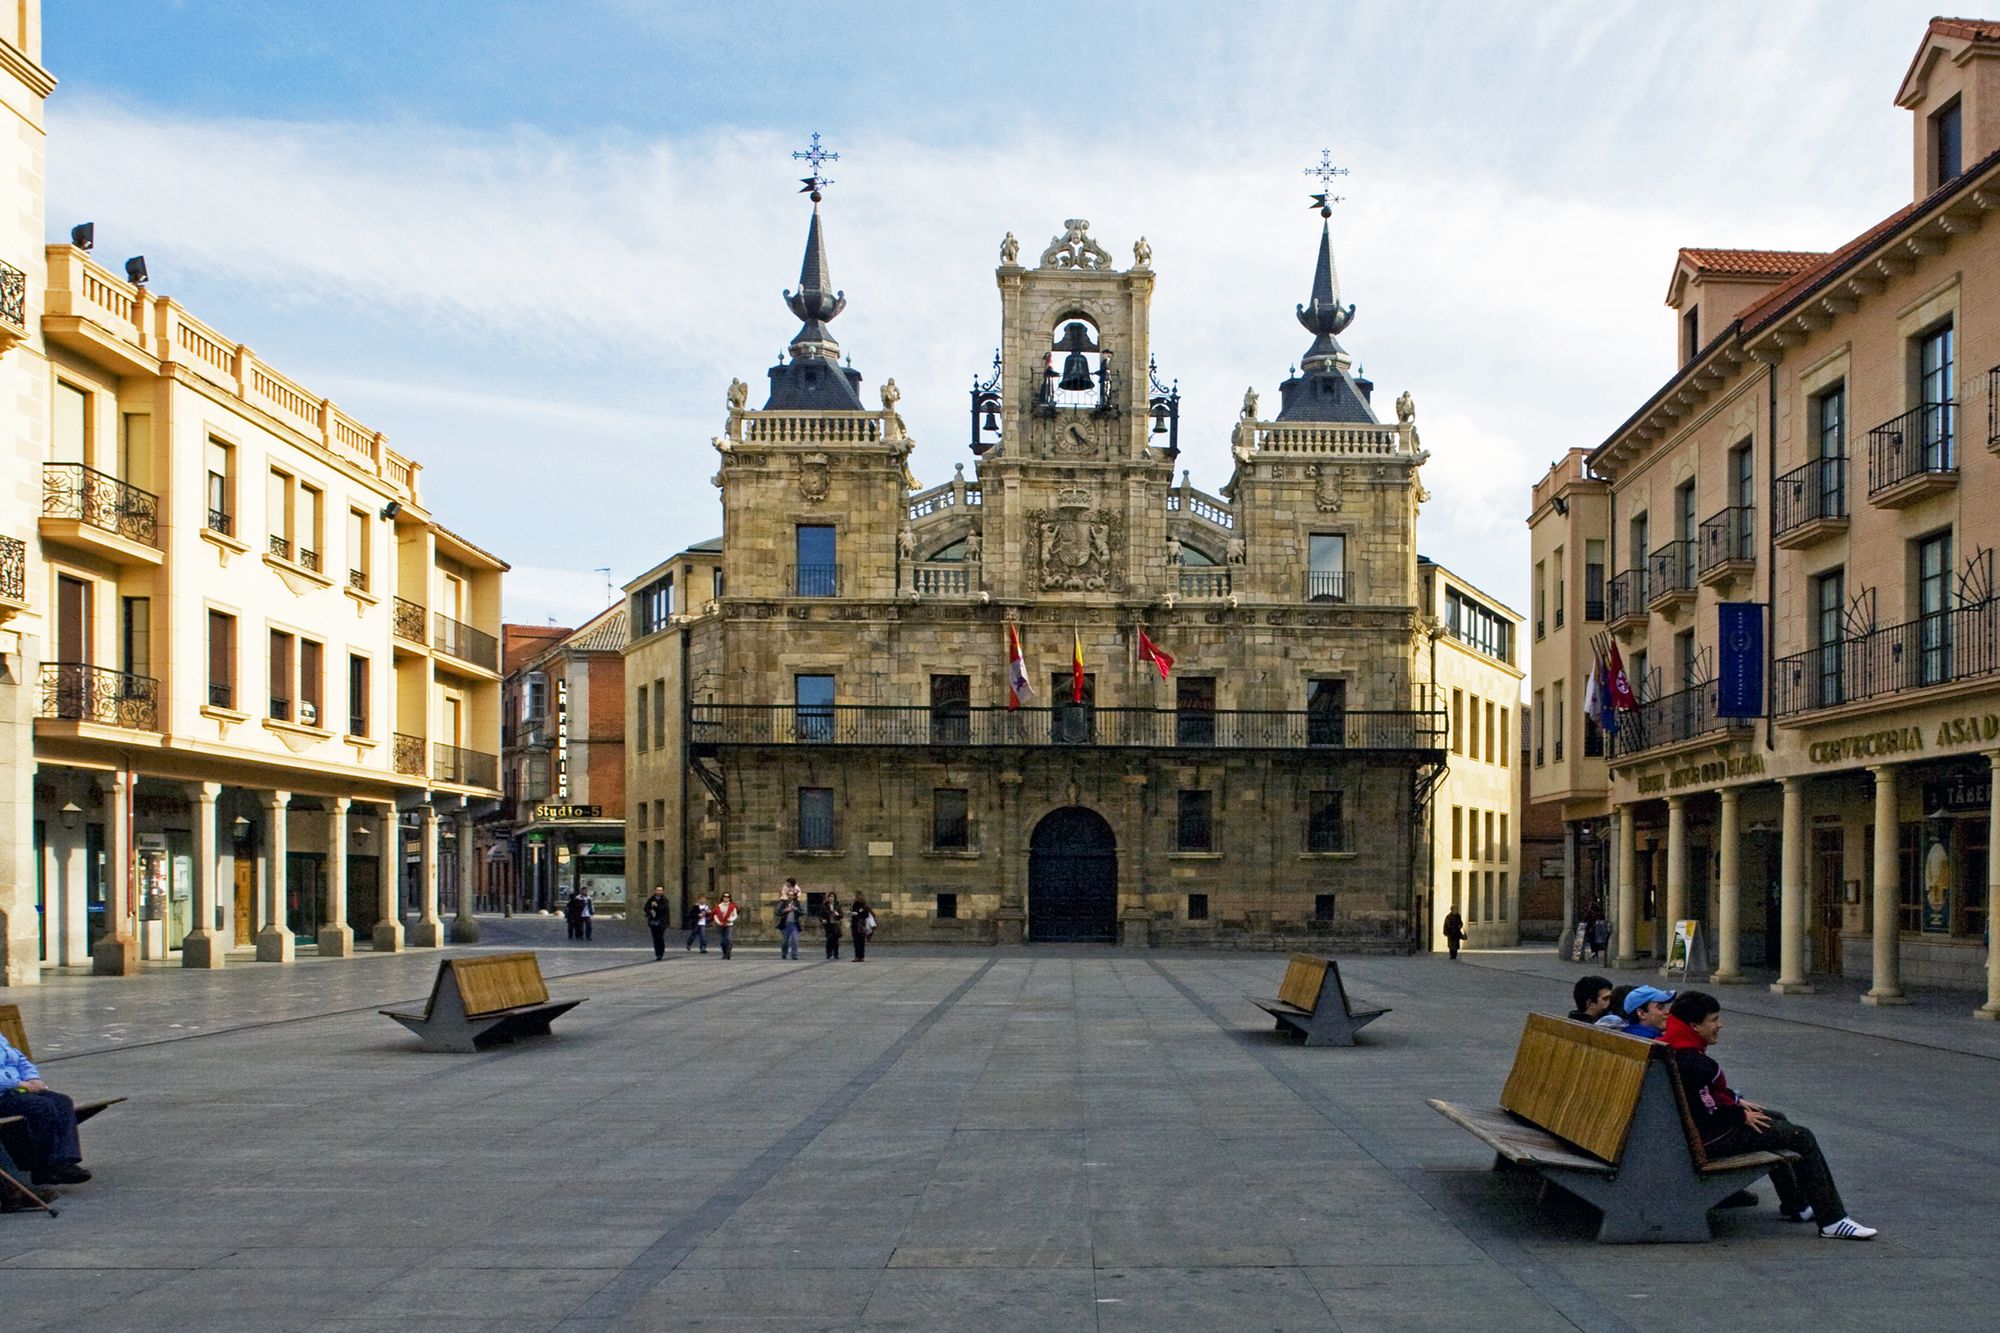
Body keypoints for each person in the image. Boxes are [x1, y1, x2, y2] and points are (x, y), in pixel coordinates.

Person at [1663, 991, 1877, 1240]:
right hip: (1708, 1139)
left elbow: (1702, 1096)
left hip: (1691, 1133)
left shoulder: (1677, 1049)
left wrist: (1736, 1102)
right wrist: (1738, 1115)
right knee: (1801, 1136)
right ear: (1694, 1026)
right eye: (1714, 1020)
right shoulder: (1693, 1062)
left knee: (1775, 1118)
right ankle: (1833, 1220)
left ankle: (1796, 1203)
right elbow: (1706, 1110)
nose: (1719, 1025)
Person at [0, 1030, 90, 1190]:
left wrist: (32, 1078)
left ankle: (63, 1161)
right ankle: (44, 1166)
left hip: (15, 1090)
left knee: (62, 1102)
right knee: (41, 1107)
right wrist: (17, 1083)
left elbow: (20, 1059)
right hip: (4, 1094)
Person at [775, 880, 805, 960]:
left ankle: (794, 955)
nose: (790, 896)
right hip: (785, 924)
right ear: (787, 895)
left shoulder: (797, 903)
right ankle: (784, 954)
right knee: (785, 941)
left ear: (794, 896)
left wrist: (795, 909)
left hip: (794, 924)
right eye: (789, 895)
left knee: (795, 940)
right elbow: (777, 912)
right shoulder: (783, 903)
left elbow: (803, 912)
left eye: (792, 895)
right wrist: (785, 910)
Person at [643, 887, 671, 960]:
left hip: (662, 921)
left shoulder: (664, 900)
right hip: (653, 921)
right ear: (655, 891)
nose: (659, 892)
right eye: (658, 890)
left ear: (662, 891)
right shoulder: (651, 899)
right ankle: (657, 953)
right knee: (655, 938)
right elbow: (646, 908)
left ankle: (660, 953)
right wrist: (650, 909)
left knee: (660, 937)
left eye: (660, 890)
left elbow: (665, 909)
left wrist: (657, 906)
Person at [712, 891, 740, 959]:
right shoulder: (719, 906)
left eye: (727, 897)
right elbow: (715, 915)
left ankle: (728, 952)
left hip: (729, 924)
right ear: (722, 898)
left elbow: (735, 915)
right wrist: (718, 922)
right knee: (723, 940)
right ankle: (724, 953)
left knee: (729, 939)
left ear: (729, 898)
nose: (726, 898)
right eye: (725, 897)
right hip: (721, 924)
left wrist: (730, 919)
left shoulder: (732, 906)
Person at [849, 894, 874, 962]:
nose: (854, 898)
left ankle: (860, 956)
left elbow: (866, 914)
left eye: (855, 896)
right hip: (854, 924)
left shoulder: (864, 905)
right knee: (856, 940)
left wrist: (857, 913)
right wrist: (852, 912)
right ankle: (858, 956)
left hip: (861, 925)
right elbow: (851, 910)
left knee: (861, 940)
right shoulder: (854, 904)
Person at [820, 891, 844, 960]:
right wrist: (822, 920)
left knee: (835, 941)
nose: (831, 898)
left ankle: (836, 954)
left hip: (836, 924)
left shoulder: (837, 905)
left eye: (832, 897)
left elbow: (841, 915)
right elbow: (820, 915)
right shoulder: (824, 906)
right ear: (828, 898)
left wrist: (838, 914)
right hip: (828, 924)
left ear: (835, 898)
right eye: (830, 896)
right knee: (829, 940)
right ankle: (829, 954)